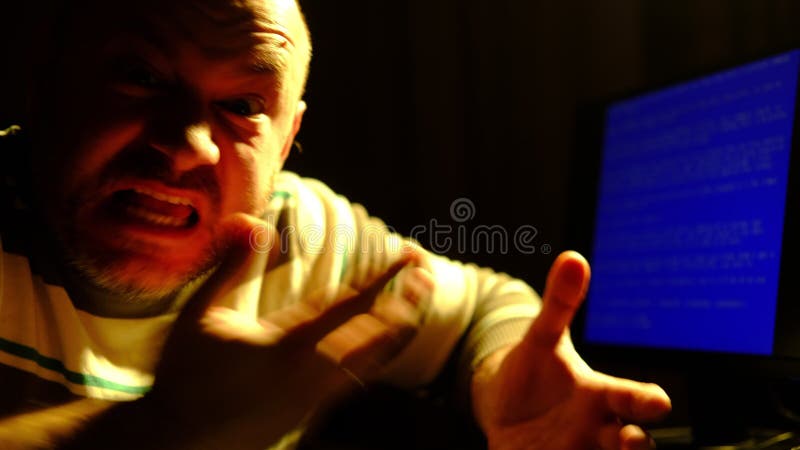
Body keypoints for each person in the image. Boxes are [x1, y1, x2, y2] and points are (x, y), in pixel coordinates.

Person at [0, 0, 672, 448]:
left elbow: (481, 307)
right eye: (139, 74)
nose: (188, 144)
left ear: (288, 137)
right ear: (45, 79)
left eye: (241, 104)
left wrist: (501, 376)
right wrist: (162, 429)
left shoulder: (300, 231)